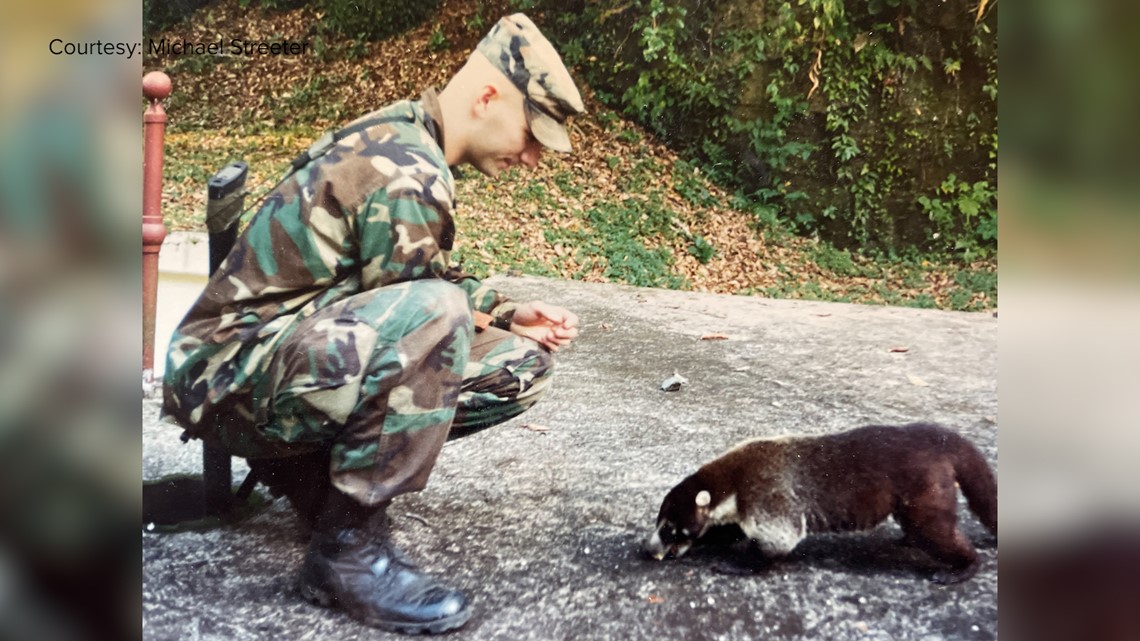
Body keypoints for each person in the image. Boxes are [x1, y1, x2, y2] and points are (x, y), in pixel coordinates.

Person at [162, 14, 583, 635]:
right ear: (489, 95)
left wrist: (505, 312)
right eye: (530, 133)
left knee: (516, 364)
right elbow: (420, 313)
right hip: (229, 379)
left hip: (246, 362)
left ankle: (305, 473)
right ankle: (346, 551)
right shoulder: (409, 170)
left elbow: (412, 284)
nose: (530, 156)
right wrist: (460, 309)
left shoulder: (405, 135)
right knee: (434, 321)